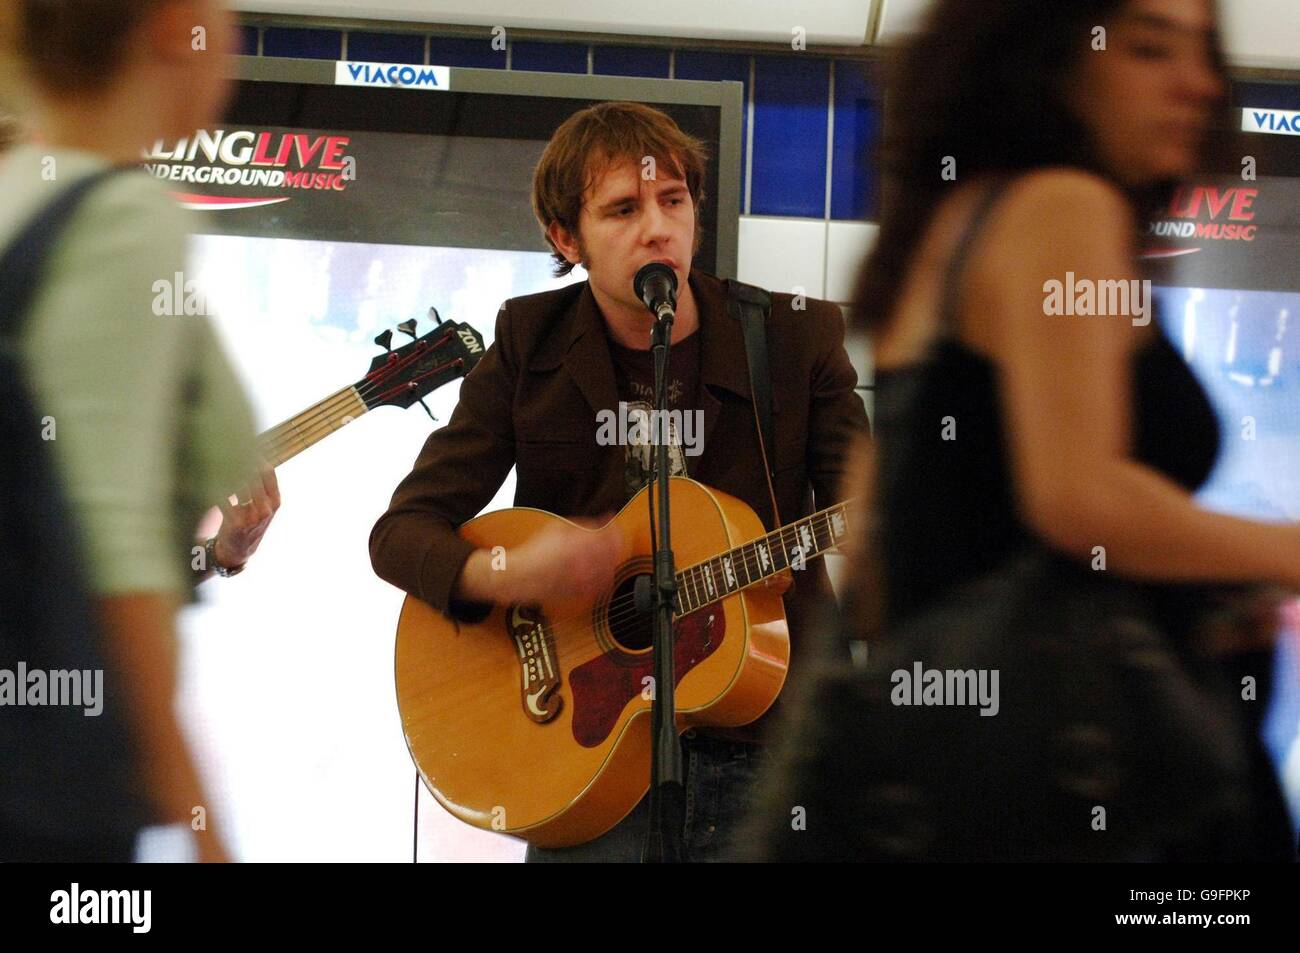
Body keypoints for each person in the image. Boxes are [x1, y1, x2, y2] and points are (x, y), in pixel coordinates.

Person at [744, 0, 1297, 862]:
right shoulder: (1063, 207)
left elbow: (881, 551)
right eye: (1149, 48)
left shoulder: (951, 226)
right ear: (1048, 59)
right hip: (1079, 778)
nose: (1197, 85)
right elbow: (1080, 498)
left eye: (1202, 53)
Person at [369, 100, 870, 862]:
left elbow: (861, 513)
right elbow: (399, 536)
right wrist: (508, 572)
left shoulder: (796, 338)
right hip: (586, 755)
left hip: (769, 758)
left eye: (673, 201)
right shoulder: (527, 344)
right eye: (623, 210)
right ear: (566, 238)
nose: (657, 228)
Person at [0, 0, 271, 861]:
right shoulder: (124, 221)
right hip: (46, 790)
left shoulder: (22, 187)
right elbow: (109, 557)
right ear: (172, 24)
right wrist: (205, 831)